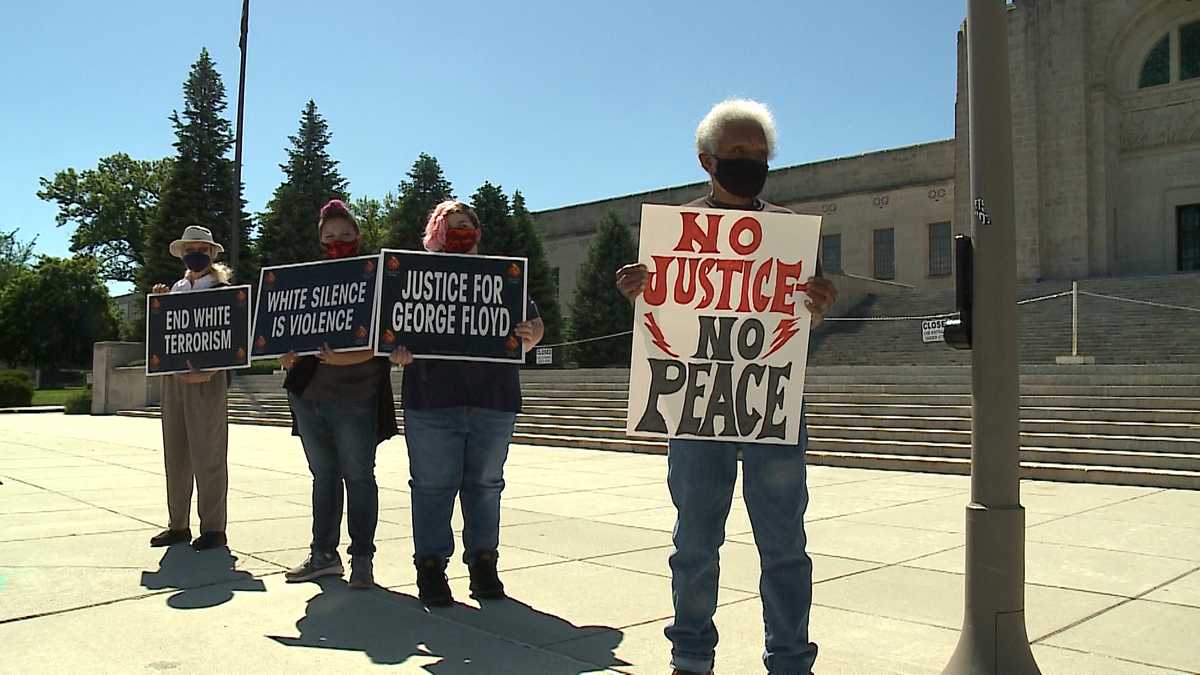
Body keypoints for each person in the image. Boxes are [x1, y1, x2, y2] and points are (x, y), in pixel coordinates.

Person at [615, 99, 838, 675]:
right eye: (738, 153)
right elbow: (665, 319)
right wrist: (637, 289)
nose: (750, 161)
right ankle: (691, 655)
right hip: (696, 411)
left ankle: (789, 660)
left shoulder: (789, 233)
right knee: (694, 544)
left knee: (784, 547)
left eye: (759, 154)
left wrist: (819, 307)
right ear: (706, 159)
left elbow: (794, 322)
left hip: (770, 406)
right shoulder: (672, 234)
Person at [388, 200, 545, 607]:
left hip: (493, 399)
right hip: (431, 399)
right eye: (450, 227)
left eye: (466, 225)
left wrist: (532, 332)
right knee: (431, 488)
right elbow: (390, 333)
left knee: (486, 486)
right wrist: (396, 352)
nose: (459, 232)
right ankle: (431, 568)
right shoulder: (412, 278)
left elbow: (535, 325)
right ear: (436, 236)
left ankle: (483, 562)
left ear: (478, 232)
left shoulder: (502, 276)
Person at [281, 199, 398, 590]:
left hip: (357, 397)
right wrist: (285, 353)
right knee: (323, 477)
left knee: (359, 477)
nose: (337, 242)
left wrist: (343, 359)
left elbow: (385, 339)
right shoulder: (304, 282)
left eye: (345, 235)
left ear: (358, 237)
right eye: (330, 236)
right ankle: (323, 555)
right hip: (308, 396)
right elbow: (284, 334)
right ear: (320, 240)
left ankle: (362, 558)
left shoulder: (376, 279)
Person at [148, 225, 234, 551]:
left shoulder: (222, 288)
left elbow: (229, 335)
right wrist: (159, 303)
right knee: (176, 453)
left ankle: (214, 527)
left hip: (207, 380)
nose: (194, 254)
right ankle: (178, 524)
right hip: (173, 379)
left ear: (211, 253)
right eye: (189, 249)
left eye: (201, 248)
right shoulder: (176, 288)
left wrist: (209, 371)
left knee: (209, 454)